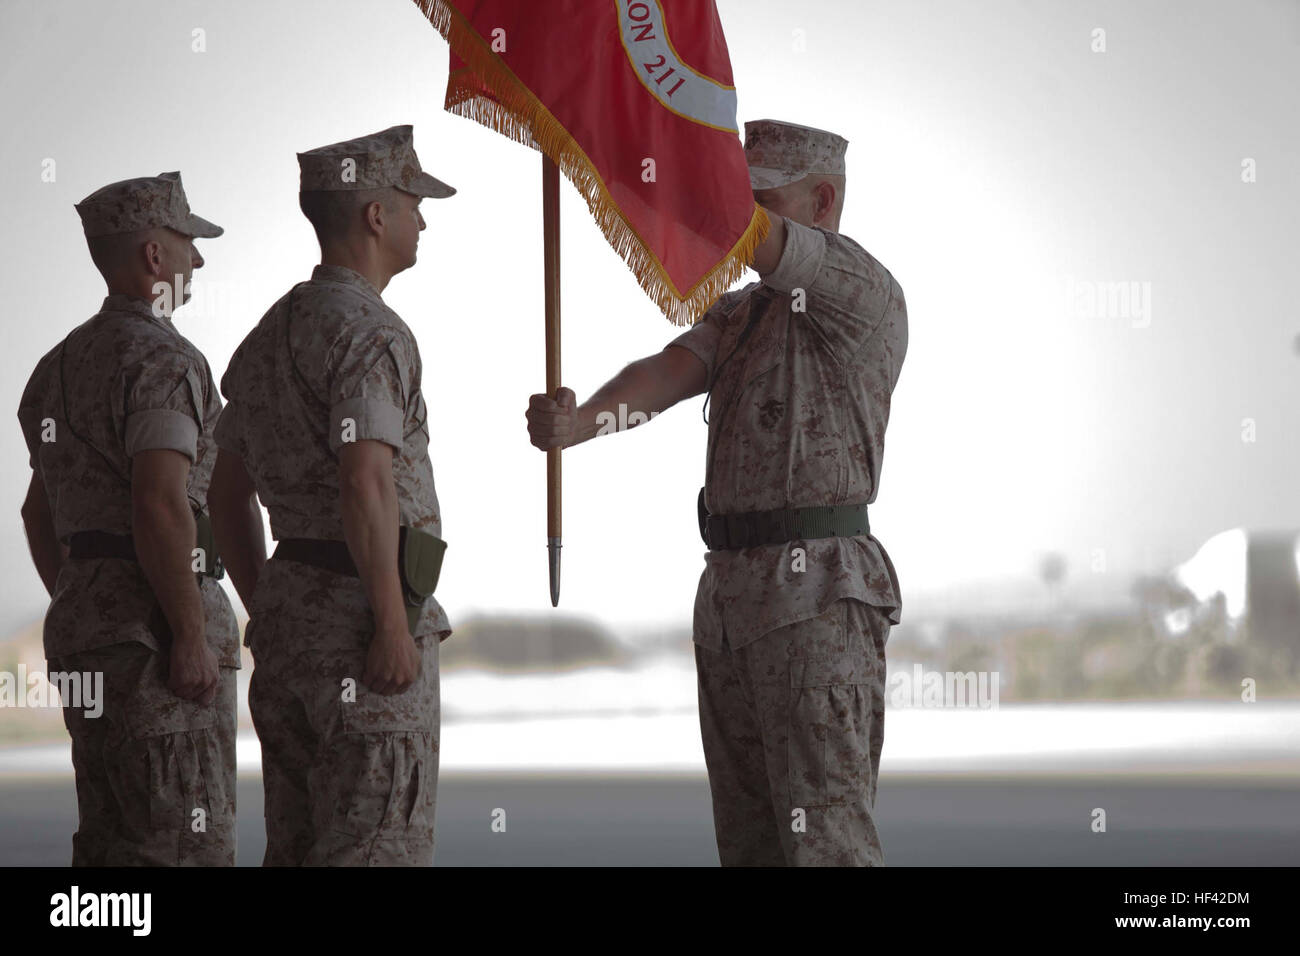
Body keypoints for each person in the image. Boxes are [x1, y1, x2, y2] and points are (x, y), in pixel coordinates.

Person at [526, 119, 908, 866]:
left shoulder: (858, 287)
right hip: (735, 602)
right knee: (751, 843)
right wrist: (580, 426)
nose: (733, 225)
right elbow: (667, 374)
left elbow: (754, 239)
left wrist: (675, 174)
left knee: (825, 842)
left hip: (816, 599)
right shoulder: (743, 311)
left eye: (758, 201)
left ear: (823, 201)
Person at [210, 124, 455, 866]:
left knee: (297, 843)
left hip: (291, 622)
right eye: (413, 202)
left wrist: (268, 607)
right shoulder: (369, 334)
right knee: (376, 844)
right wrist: (388, 621)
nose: (425, 218)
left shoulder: (264, 337)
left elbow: (224, 494)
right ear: (376, 216)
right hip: (361, 627)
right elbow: (366, 478)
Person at [17, 172, 244, 865]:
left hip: (92, 633)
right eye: (186, 244)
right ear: (153, 256)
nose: (196, 260)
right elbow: (158, 500)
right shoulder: (163, 359)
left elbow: (37, 511)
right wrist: (187, 634)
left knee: (113, 844)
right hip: (155, 647)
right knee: (182, 844)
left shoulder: (55, 369)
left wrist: (89, 593)